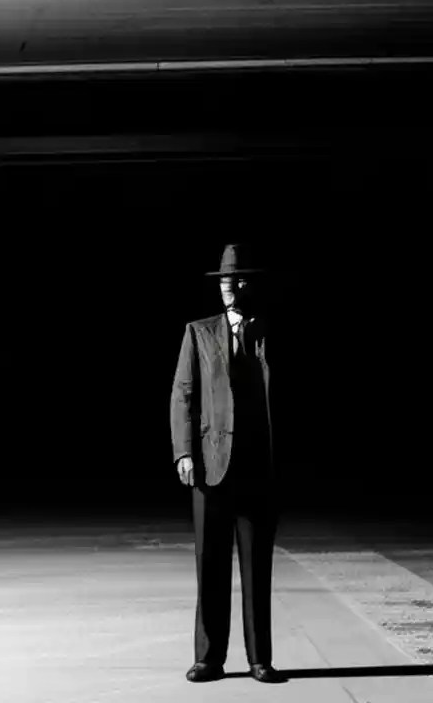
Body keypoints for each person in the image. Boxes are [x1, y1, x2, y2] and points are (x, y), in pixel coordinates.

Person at [169, 243, 286, 684]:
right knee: (210, 566)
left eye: (236, 279)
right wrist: (183, 452)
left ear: (250, 284)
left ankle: (260, 659)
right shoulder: (199, 332)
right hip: (212, 466)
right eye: (223, 280)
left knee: (258, 570)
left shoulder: (269, 332)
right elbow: (182, 394)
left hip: (258, 468)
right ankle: (208, 658)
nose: (229, 287)